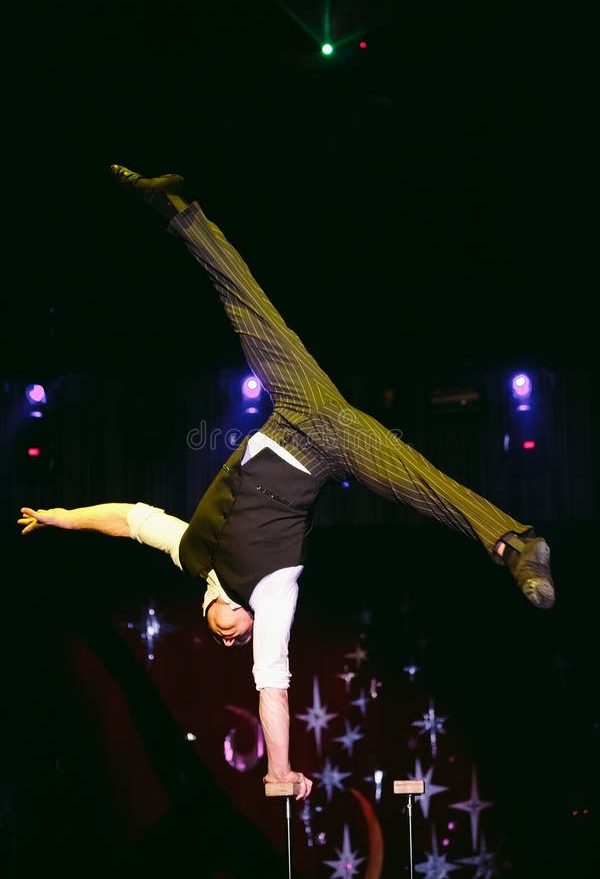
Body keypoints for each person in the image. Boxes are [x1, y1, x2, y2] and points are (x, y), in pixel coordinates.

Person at [18, 164, 555, 802]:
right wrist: (278, 769)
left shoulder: (189, 552)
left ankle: (175, 209)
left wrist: (61, 517)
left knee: (247, 304)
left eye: (219, 633)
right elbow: (271, 685)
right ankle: (517, 544)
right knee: (419, 482)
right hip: (333, 444)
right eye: (235, 638)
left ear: (208, 611)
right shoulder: (271, 595)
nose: (227, 637)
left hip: (294, 407)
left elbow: (129, 518)